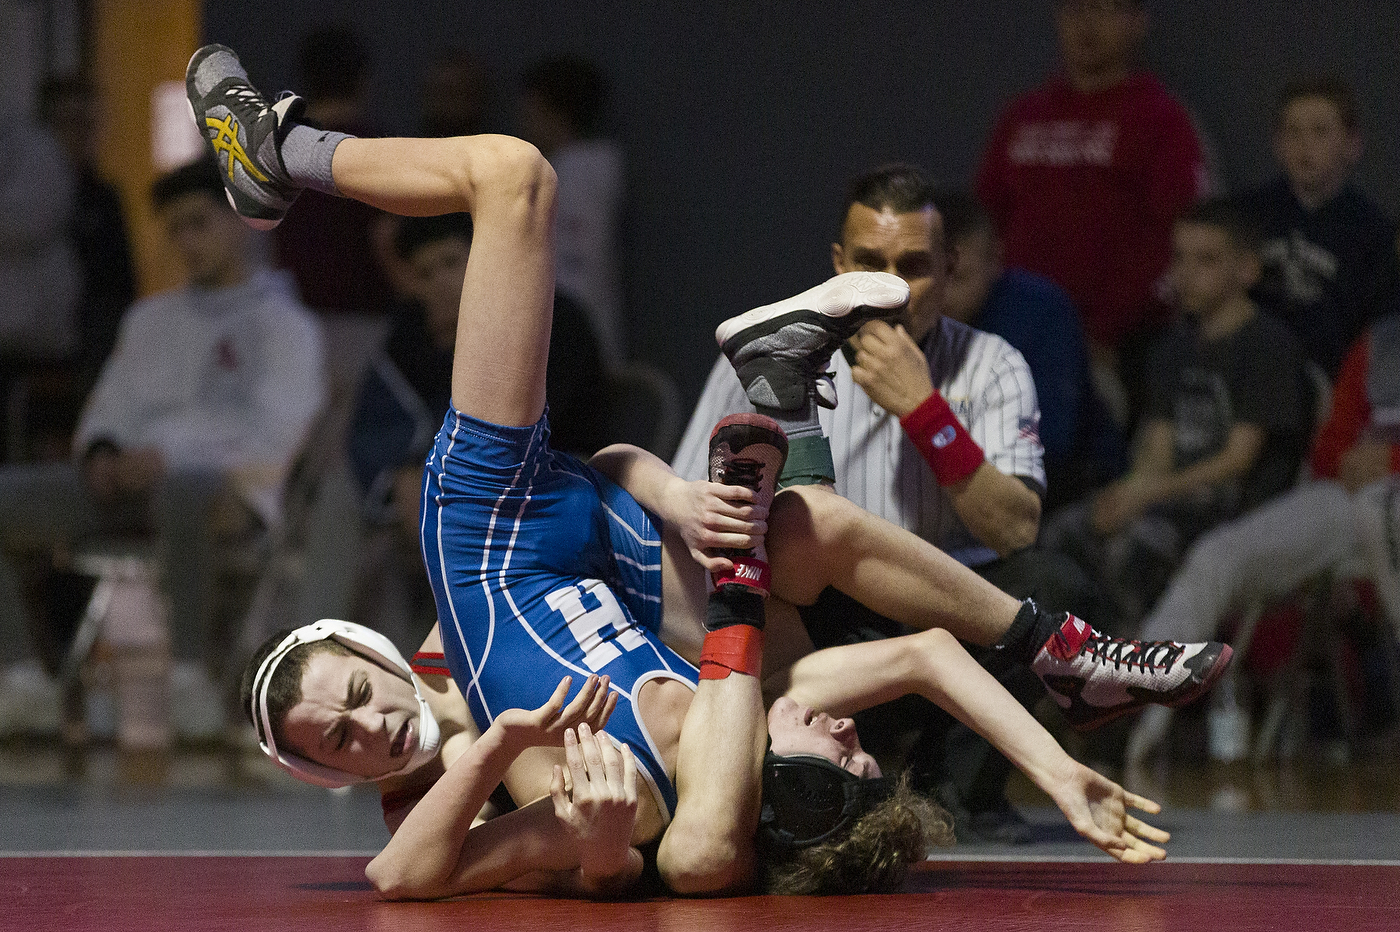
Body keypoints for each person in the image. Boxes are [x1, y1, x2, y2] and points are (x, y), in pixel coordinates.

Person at [188, 43, 1219, 896]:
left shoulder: (439, 713)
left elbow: (403, 875)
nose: (370, 722)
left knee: (511, 177)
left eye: (350, 699)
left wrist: (669, 495)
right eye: (349, 736)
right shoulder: (650, 766)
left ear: (364, 653)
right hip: (622, 593)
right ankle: (1049, 645)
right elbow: (588, 852)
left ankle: (275, 152)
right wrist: (1055, 766)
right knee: (809, 526)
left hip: (505, 535)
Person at [673, 163, 1096, 842]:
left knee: (1053, 583)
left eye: (914, 266)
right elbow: (688, 505)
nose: (889, 289)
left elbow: (1017, 528)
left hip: (953, 602)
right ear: (838, 264)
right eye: (868, 263)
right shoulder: (769, 350)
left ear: (952, 267)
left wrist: (926, 411)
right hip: (824, 618)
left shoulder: (993, 364)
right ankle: (787, 775)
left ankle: (957, 792)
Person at [0, 155, 325, 740]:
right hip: (130, 487)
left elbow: (277, 433)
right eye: (175, 228)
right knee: (8, 497)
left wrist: (167, 457)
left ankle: (189, 676)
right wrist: (101, 453)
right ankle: (22, 678)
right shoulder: (151, 319)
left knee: (186, 490)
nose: (186, 241)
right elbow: (108, 410)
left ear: (239, 221)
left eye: (199, 223)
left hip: (227, 491)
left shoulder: (285, 325)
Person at [1126, 308, 1400, 764]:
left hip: (1386, 503)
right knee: (1217, 555)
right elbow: (1332, 445)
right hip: (1354, 499)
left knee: (1382, 514)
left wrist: (1392, 462)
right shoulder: (1382, 342)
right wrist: (1353, 461)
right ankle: (1135, 714)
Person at [1045, 198, 1311, 628]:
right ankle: (1070, 673)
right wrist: (1128, 492)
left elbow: (1238, 461)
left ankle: (1139, 676)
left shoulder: (1269, 346)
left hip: (1238, 509)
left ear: (1247, 270)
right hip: (1171, 498)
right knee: (1065, 535)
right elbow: (1158, 447)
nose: (1184, 274)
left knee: (1133, 551)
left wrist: (1146, 495)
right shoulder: (1172, 347)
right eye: (1179, 257)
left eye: (1206, 261)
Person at [345, 212, 607, 647]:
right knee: (341, 497)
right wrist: (402, 477)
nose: (441, 282)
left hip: (553, 478)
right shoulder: (413, 335)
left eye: (452, 263)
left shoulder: (553, 315)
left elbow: (519, 431)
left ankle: (454, 661)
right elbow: (372, 430)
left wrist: (426, 473)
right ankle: (349, 654)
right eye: (426, 273)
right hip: (443, 486)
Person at [975, 0, 1207, 417]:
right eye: (1074, 9)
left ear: (1137, 22)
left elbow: (1179, 239)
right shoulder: (1023, 115)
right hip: (1013, 336)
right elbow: (983, 225)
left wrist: (1107, 330)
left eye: (1102, 10)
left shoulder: (1161, 119)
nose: (1086, 24)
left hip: (1117, 349)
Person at [935, 185, 1123, 509]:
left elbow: (1049, 441)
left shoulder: (1043, 311)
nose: (943, 295)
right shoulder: (908, 311)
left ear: (995, 260)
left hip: (1070, 488)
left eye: (960, 277)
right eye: (934, 275)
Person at [1241, 76, 1399, 379]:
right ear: (1277, 143)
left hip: (1332, 380)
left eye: (1320, 132)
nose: (1305, 145)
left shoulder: (1373, 233)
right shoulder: (1247, 216)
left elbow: (1381, 336)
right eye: (1293, 132)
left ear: (1352, 145)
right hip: (1250, 375)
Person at [517, 54, 626, 368]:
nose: (524, 123)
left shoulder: (584, 172)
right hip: (568, 335)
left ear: (551, 113)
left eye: (530, 112)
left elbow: (579, 266)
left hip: (578, 342)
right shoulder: (566, 170)